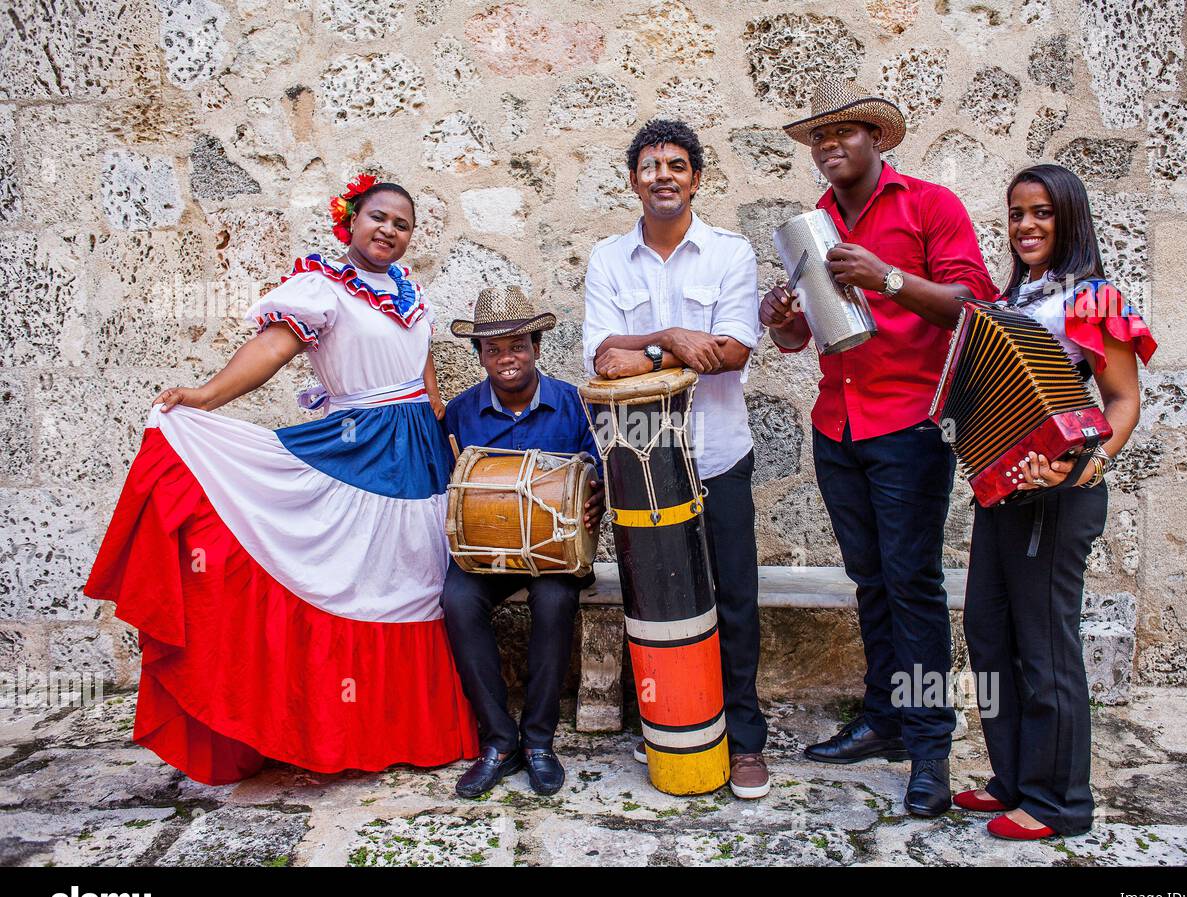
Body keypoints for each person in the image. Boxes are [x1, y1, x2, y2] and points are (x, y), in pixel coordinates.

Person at [84, 175, 478, 784]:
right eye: (379, 217)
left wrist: (441, 433)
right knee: (353, 589)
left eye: (402, 224)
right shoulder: (321, 289)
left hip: (419, 458)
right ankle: (334, 730)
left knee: (412, 589)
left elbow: (421, 373)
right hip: (361, 449)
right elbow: (269, 353)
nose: (389, 231)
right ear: (350, 220)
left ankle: (404, 729)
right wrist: (203, 398)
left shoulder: (409, 292)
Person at [759, 78, 998, 817]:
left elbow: (976, 305)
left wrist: (888, 278)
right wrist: (780, 318)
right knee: (870, 582)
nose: (830, 147)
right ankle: (884, 719)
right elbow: (803, 338)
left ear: (877, 139)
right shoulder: (815, 223)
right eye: (819, 139)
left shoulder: (930, 205)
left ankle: (930, 748)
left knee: (914, 586)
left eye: (844, 134)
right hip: (838, 426)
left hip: (912, 428)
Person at [955, 164, 1155, 839]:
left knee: (1045, 649)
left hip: (1057, 496)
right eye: (1016, 213)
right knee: (988, 633)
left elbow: (1122, 401)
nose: (1026, 226)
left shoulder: (1094, 299)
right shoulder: (1018, 298)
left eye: (1041, 212)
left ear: (1068, 218)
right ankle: (1013, 780)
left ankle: (1059, 803)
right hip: (1004, 493)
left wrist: (1090, 465)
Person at [582, 119, 770, 799]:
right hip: (640, 467)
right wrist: (672, 337)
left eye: (677, 165)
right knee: (654, 600)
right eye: (650, 166)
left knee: (735, 601)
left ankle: (744, 741)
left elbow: (736, 352)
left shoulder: (730, 253)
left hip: (717, 455)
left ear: (696, 178)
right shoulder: (607, 259)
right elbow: (604, 360)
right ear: (633, 180)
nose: (663, 175)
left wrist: (648, 353)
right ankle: (670, 723)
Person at [441, 286, 605, 798]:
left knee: (555, 603)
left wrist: (594, 495)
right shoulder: (461, 413)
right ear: (480, 356)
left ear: (536, 348)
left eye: (517, 346)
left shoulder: (575, 403)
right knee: (456, 601)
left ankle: (538, 742)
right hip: (487, 553)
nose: (506, 358)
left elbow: (598, 468)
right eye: (493, 349)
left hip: (554, 553)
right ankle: (498, 741)